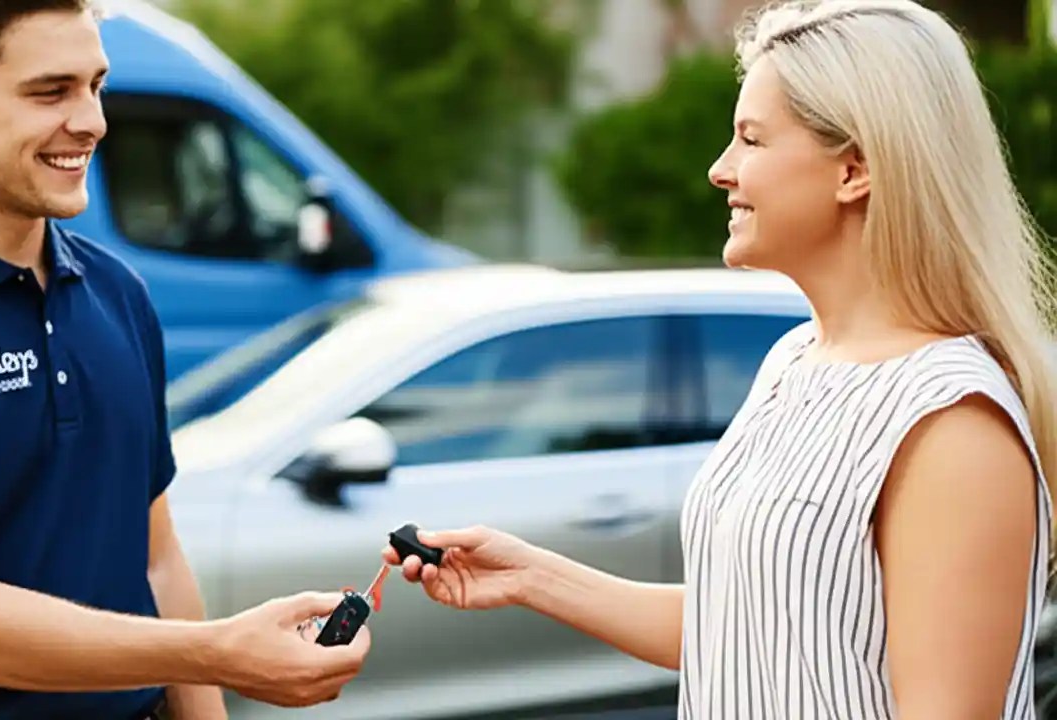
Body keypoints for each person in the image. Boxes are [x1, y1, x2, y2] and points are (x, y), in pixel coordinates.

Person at [385, 1, 1057, 718]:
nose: (720, 169)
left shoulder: (952, 427)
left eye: (751, 140)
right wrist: (531, 578)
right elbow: (746, 632)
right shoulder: (794, 362)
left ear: (854, 169)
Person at [0, 1, 369, 718]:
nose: (92, 121)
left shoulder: (118, 293)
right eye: (51, 91)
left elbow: (156, 560)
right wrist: (215, 649)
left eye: (96, 85)